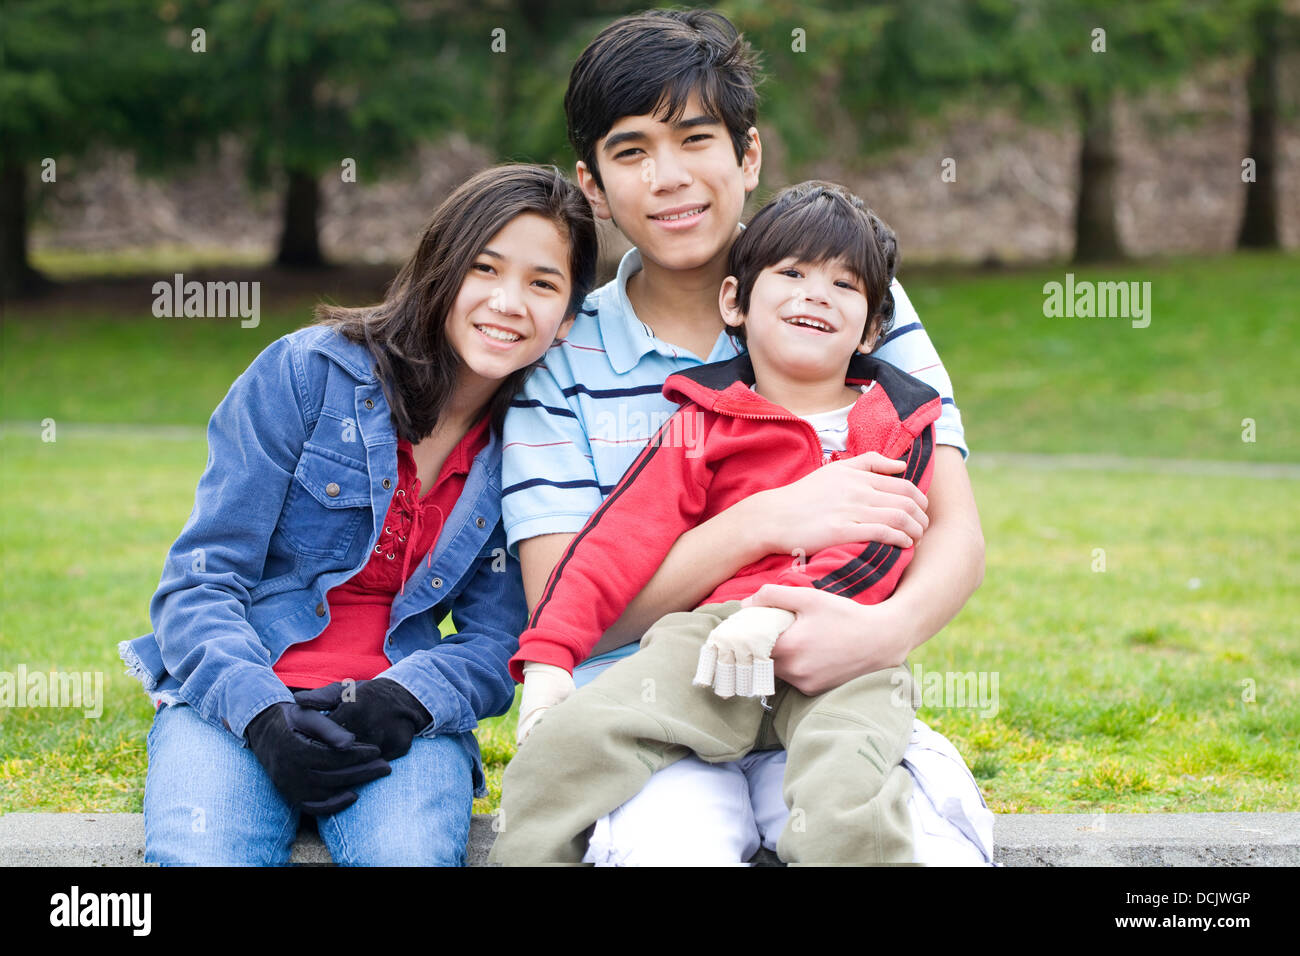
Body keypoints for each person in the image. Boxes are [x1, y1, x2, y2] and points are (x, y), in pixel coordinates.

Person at [500, 9, 993, 865]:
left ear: (748, 155)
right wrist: (766, 521)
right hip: (645, 702)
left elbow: (955, 528)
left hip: (833, 681)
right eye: (631, 151)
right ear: (592, 184)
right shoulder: (562, 352)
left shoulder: (849, 300)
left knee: (903, 840)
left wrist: (886, 633)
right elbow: (567, 598)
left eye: (696, 139)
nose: (668, 177)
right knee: (673, 851)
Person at [119, 164, 597, 866]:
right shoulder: (304, 375)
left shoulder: (533, 440)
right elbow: (201, 583)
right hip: (237, 698)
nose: (508, 302)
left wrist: (404, 699)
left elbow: (503, 635)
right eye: (484, 268)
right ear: (440, 269)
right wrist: (262, 715)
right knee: (202, 855)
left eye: (542, 283)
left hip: (399, 720)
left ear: (566, 318)